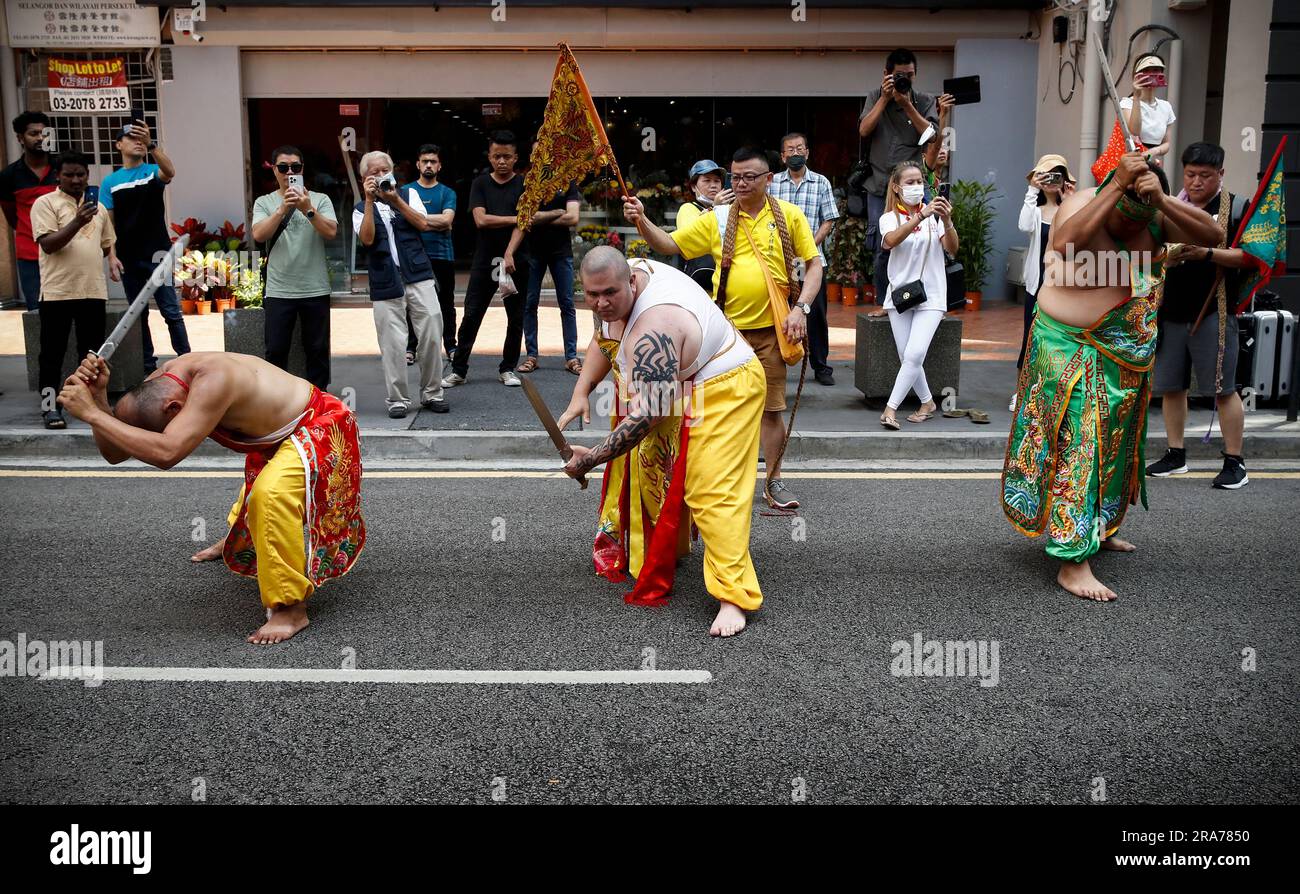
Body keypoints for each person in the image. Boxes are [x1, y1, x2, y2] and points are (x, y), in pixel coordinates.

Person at [1002, 152, 1222, 602]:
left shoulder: (1158, 217)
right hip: (1068, 345)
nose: (1133, 219)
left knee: (1116, 444)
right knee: (1081, 443)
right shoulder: (1083, 204)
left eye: (1144, 210)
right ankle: (1071, 558)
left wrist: (1158, 199)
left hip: (1124, 355)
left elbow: (1213, 234)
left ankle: (1097, 528)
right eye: (1127, 206)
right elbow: (1064, 247)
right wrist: (1117, 188)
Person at [57, 351, 365, 645]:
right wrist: (98, 399)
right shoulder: (162, 381)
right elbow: (115, 452)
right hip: (276, 429)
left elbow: (166, 452)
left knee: (270, 495)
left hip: (318, 423)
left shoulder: (214, 380)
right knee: (263, 489)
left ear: (173, 410)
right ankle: (243, 537)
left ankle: (291, 609)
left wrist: (90, 415)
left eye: (172, 425)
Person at [561, 247, 765, 637]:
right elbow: (604, 339)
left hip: (725, 384)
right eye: (591, 294)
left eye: (609, 294)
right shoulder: (615, 287)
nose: (601, 303)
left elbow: (645, 416)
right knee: (654, 465)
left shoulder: (657, 325)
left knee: (711, 488)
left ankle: (734, 597)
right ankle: (669, 547)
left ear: (632, 282)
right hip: (674, 384)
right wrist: (583, 388)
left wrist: (592, 459)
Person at [623, 147, 821, 512]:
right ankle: (712, 480)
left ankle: (773, 479)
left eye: (749, 177)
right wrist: (641, 220)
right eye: (736, 177)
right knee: (714, 410)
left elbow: (814, 265)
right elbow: (670, 244)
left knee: (771, 409)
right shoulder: (717, 218)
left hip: (775, 332)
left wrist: (801, 309)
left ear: (768, 179)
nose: (740, 183)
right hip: (725, 337)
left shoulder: (789, 216)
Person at [1147, 142, 1253, 489]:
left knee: (1222, 389)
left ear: (1220, 174)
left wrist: (1206, 253)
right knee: (1171, 387)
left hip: (1214, 309)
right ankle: (1176, 454)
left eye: (1205, 176)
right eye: (1190, 174)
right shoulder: (1171, 206)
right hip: (1172, 309)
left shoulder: (1237, 208)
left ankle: (1235, 461)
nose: (1196, 182)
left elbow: (1249, 257)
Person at [31, 152, 122, 429]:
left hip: (92, 291)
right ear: (58, 175)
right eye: (69, 174)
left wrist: (113, 259)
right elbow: (48, 244)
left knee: (92, 355)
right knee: (51, 355)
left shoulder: (99, 209)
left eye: (81, 174)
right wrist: (77, 222)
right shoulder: (45, 203)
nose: (75, 179)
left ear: (87, 176)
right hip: (57, 292)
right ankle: (50, 408)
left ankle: (91, 405)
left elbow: (107, 243)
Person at [354, 150, 447, 418]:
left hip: (418, 274)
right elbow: (368, 239)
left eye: (385, 170)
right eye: (375, 172)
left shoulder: (409, 194)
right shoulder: (360, 209)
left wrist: (394, 199)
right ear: (364, 178)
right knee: (392, 342)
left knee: (431, 331)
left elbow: (422, 223)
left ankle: (432, 393)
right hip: (385, 279)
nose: (382, 175)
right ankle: (397, 399)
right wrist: (371, 200)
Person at [857, 48, 950, 307]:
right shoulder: (876, 96)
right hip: (879, 185)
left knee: (930, 238)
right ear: (886, 74)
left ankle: (927, 299)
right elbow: (864, 130)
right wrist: (885, 99)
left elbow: (931, 136)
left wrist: (906, 104)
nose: (905, 80)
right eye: (899, 75)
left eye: (909, 75)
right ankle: (885, 303)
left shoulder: (923, 100)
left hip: (914, 185)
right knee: (883, 245)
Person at [442, 131, 530, 389]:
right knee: (472, 313)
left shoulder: (524, 184)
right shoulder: (480, 183)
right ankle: (459, 369)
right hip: (484, 260)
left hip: (515, 260)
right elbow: (481, 219)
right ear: (490, 157)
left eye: (506, 156)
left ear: (515, 158)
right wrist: (516, 218)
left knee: (515, 318)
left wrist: (510, 252)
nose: (501, 161)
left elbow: (524, 226)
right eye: (496, 156)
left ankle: (508, 368)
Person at [101, 118, 190, 372]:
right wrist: (111, 257)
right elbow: (109, 224)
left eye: (142, 137)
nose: (138, 141)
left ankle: (186, 360)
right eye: (132, 137)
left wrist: (152, 145)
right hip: (128, 256)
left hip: (158, 254)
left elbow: (170, 172)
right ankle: (148, 366)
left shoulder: (152, 172)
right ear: (119, 144)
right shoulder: (111, 182)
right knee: (138, 315)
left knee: (171, 311)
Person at [876, 161, 957, 430]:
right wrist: (920, 217)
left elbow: (952, 249)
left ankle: (890, 409)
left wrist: (945, 219)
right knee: (906, 355)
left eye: (920, 181)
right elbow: (890, 242)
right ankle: (928, 402)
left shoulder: (935, 216)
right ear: (897, 188)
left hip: (932, 295)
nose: (916, 186)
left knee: (915, 353)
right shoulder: (889, 217)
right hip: (900, 294)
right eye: (909, 182)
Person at [251, 145, 338, 392]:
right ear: (274, 170)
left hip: (315, 288)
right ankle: (277, 401)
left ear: (302, 169)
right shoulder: (265, 202)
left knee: (318, 351)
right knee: (276, 350)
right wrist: (283, 209)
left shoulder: (320, 199)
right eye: (283, 167)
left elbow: (331, 232)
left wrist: (307, 208)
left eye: (295, 167)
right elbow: (259, 234)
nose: (289, 171)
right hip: (280, 291)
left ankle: (318, 403)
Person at [769, 132, 839, 386]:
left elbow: (828, 220)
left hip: (811, 262)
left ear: (807, 152)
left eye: (800, 148)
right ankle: (777, 362)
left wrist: (807, 247)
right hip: (779, 262)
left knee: (816, 313)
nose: (795, 153)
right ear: (783, 156)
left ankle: (821, 366)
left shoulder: (821, 183)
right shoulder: (772, 183)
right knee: (779, 311)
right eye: (790, 149)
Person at [1011, 154, 1076, 411]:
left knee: (1059, 339)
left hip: (1062, 283)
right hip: (1036, 283)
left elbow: (1079, 237)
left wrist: (1071, 202)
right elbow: (1024, 225)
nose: (1050, 180)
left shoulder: (1071, 207)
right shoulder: (1036, 211)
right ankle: (1021, 390)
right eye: (1045, 175)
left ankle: (1055, 391)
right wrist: (1032, 189)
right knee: (1030, 337)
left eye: (1056, 175)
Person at [400, 144, 457, 365]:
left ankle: (451, 346)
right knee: (412, 303)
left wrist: (418, 220)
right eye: (425, 161)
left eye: (433, 161)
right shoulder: (406, 192)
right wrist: (433, 222)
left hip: (443, 255)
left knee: (446, 303)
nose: (429, 165)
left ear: (439, 166)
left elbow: (447, 220)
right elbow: (406, 220)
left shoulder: (447, 192)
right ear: (418, 164)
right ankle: (410, 347)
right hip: (414, 255)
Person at [517, 183, 582, 375]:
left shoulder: (568, 183)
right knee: (529, 304)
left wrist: (540, 218)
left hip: (561, 252)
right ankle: (531, 356)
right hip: (532, 252)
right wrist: (557, 212)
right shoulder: (529, 182)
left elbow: (573, 217)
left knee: (567, 304)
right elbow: (527, 217)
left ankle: (571, 357)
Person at [0, 111, 57, 311]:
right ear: (20, 138)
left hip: (65, 251)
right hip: (30, 257)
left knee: (71, 310)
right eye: (34, 134)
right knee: (37, 313)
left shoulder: (62, 168)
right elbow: (11, 215)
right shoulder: (8, 175)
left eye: (44, 133)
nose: (40, 138)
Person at [675, 159, 733, 292]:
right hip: (698, 284)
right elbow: (690, 236)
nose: (713, 185)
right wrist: (715, 208)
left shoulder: (729, 209)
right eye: (707, 181)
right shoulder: (688, 208)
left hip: (724, 282)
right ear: (694, 187)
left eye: (717, 181)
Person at [1120, 55, 1175, 164]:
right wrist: (1136, 95)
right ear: (1136, 76)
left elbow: (1167, 143)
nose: (1151, 75)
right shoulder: (1127, 103)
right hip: (1131, 162)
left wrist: (1153, 151)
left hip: (1153, 161)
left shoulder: (1166, 106)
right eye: (1145, 71)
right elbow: (1134, 131)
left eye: (1155, 71)